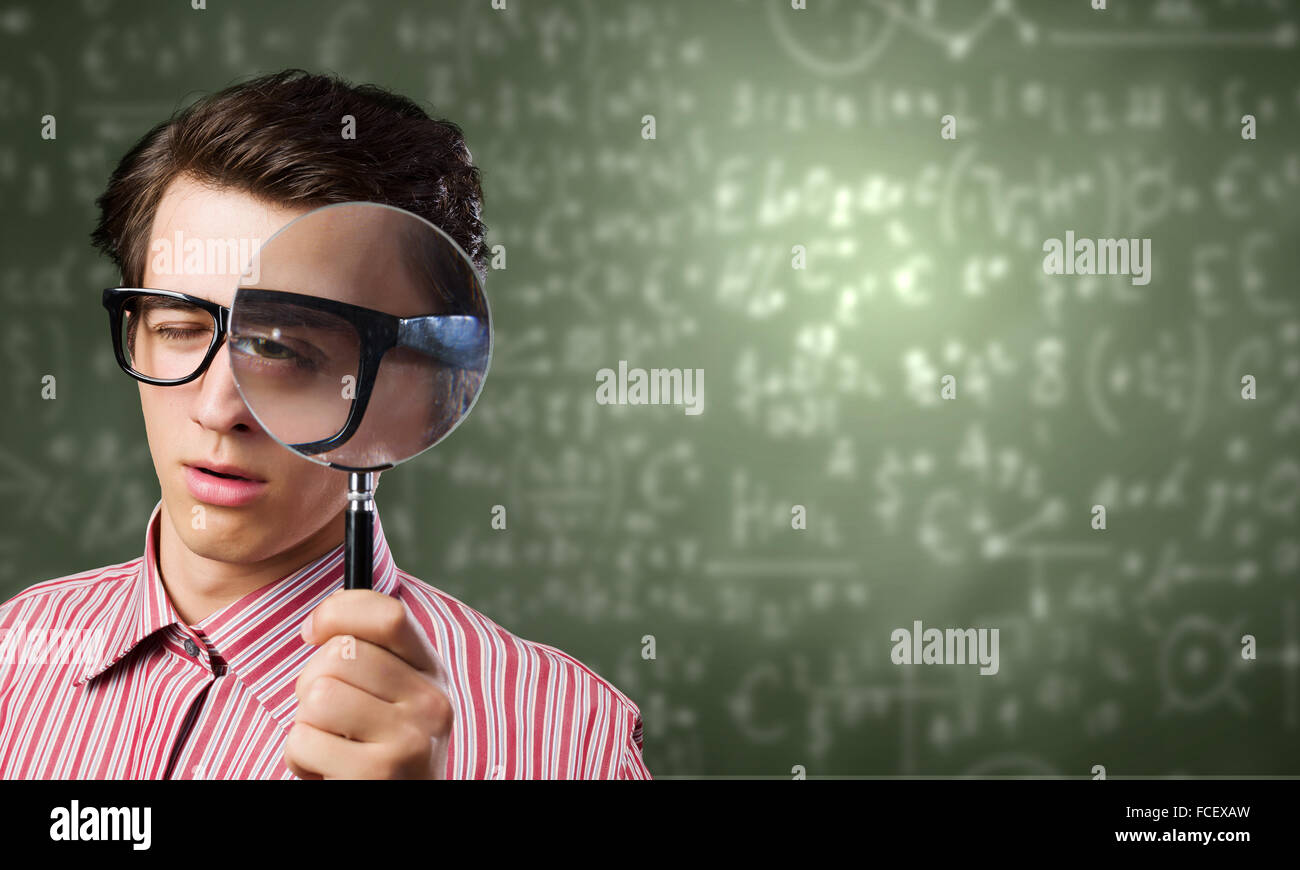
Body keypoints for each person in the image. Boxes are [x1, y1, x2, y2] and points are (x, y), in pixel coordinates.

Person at [0, 69, 650, 780]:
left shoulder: (569, 738)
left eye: (281, 349)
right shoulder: (16, 647)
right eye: (181, 327)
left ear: (415, 389)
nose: (217, 409)